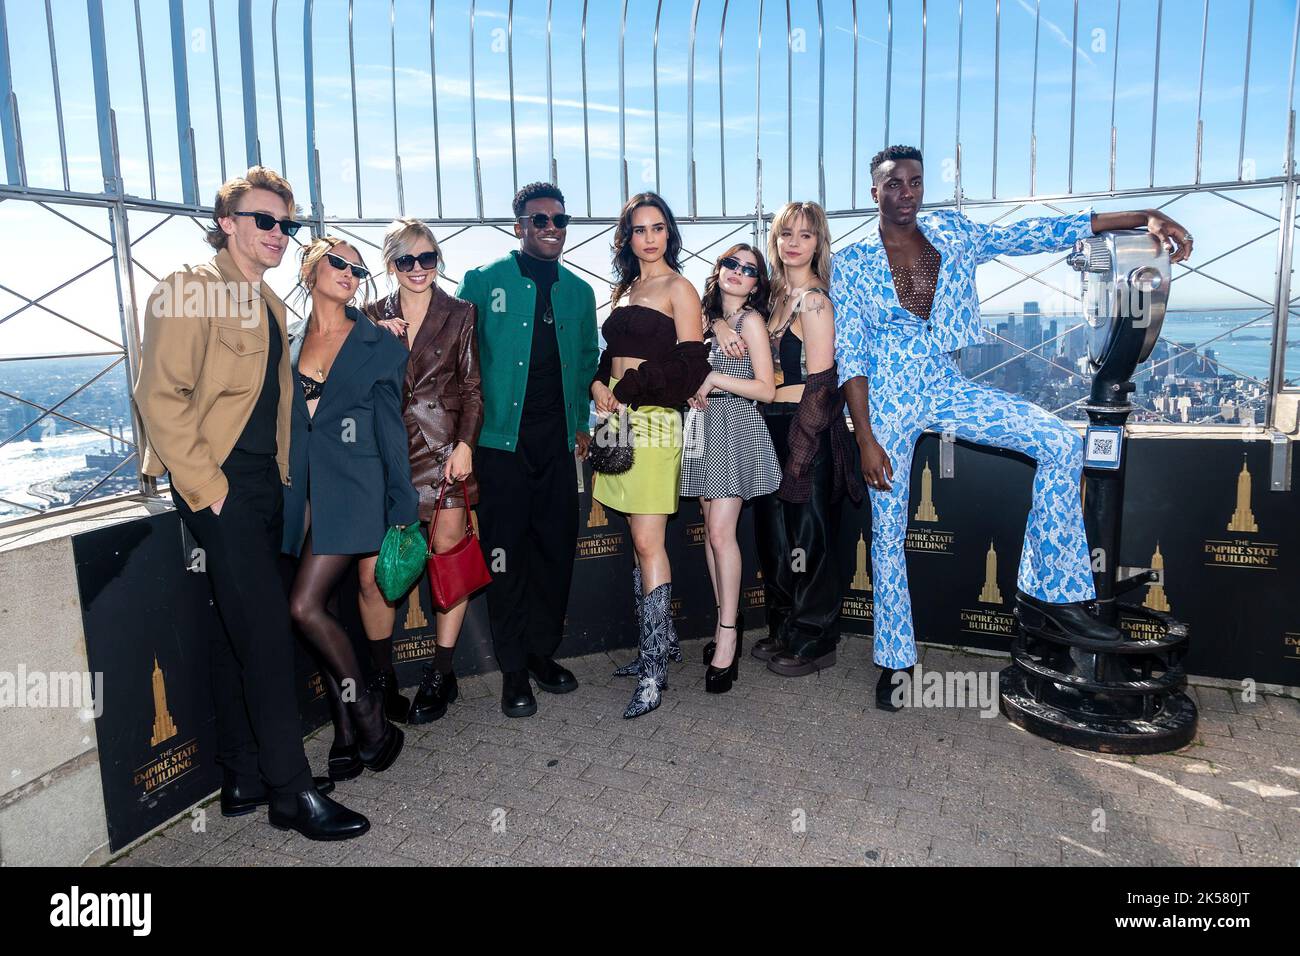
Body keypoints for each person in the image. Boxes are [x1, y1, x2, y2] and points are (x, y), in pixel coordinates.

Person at [832, 144, 1194, 711]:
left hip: (947, 386)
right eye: (893, 184)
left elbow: (1034, 232)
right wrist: (866, 438)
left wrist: (1140, 217)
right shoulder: (852, 263)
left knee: (1059, 442)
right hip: (889, 401)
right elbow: (851, 355)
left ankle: (1053, 593)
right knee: (887, 534)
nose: (906, 194)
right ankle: (896, 662)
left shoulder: (953, 234)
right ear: (873, 191)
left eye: (915, 182)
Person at [133, 166, 368, 840]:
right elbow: (160, 397)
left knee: (234, 631)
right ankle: (291, 794)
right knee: (266, 635)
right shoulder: (189, 289)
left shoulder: (266, 300)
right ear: (226, 222)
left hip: (265, 485)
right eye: (264, 220)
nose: (278, 234)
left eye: (285, 224)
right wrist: (211, 490)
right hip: (219, 485)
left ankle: (241, 776)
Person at [456, 182, 599, 718]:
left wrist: (579, 424)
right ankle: (513, 668)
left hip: (557, 443)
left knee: (555, 550)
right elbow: (462, 359)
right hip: (501, 444)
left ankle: (541, 653)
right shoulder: (484, 281)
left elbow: (586, 360)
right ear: (519, 226)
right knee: (506, 555)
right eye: (539, 219)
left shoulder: (580, 292)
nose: (551, 228)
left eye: (560, 219)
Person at [281, 236, 414, 781]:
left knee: (304, 607)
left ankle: (370, 717)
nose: (350, 274)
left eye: (358, 270)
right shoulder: (286, 339)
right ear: (310, 269)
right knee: (326, 613)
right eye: (339, 263)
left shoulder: (378, 345)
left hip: (356, 490)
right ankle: (344, 732)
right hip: (303, 493)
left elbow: (392, 432)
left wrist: (402, 505)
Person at [596, 192, 711, 718]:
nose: (649, 237)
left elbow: (690, 366)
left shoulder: (680, 288)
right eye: (639, 229)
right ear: (627, 237)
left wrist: (629, 387)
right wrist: (600, 383)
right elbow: (610, 356)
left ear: (670, 233)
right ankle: (657, 643)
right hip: (614, 419)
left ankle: (654, 669)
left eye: (658, 227)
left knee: (648, 541)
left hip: (654, 421)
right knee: (636, 537)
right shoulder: (625, 290)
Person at [368, 219, 483, 724]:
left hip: (444, 455)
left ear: (438, 260)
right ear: (391, 264)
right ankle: (382, 678)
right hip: (387, 455)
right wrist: (370, 336)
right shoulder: (370, 315)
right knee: (379, 570)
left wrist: (465, 445)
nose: (418, 268)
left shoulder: (460, 312)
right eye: (406, 260)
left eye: (427, 257)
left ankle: (441, 672)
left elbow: (473, 388)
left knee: (448, 565)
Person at [748, 201, 862, 679]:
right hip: (769, 424)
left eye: (806, 235)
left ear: (819, 243)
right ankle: (784, 627)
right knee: (776, 537)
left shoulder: (815, 301)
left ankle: (815, 639)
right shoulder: (774, 297)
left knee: (809, 538)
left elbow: (821, 383)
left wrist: (801, 450)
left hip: (806, 427)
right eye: (786, 233)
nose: (794, 243)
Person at [681, 245, 781, 694]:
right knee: (710, 532)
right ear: (718, 268)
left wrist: (714, 378)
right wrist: (716, 325)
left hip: (735, 424)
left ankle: (727, 638)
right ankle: (727, 620)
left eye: (749, 270)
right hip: (702, 425)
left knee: (722, 534)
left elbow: (767, 389)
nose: (738, 272)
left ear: (757, 283)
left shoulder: (752, 322)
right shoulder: (706, 319)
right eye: (731, 264)